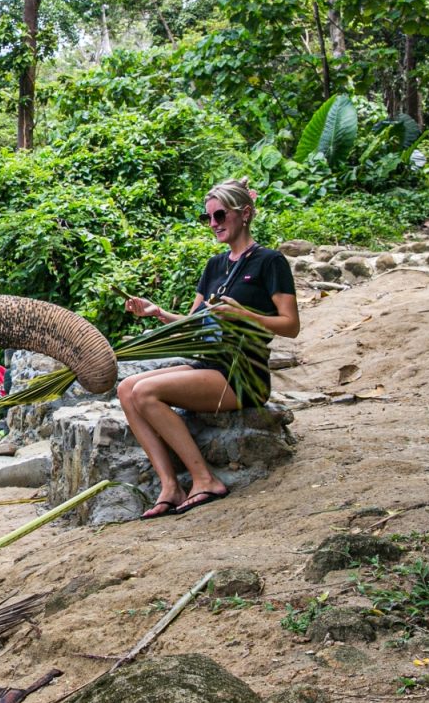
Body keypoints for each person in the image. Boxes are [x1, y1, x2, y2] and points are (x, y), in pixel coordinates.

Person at [117, 178, 300, 518]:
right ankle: (170, 486)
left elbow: (290, 325)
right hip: (208, 364)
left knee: (145, 392)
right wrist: (158, 313)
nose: (213, 223)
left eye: (220, 215)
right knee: (126, 389)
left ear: (245, 214)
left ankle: (205, 479)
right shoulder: (215, 266)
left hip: (243, 373)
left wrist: (244, 315)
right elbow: (195, 323)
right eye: (208, 217)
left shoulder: (270, 262)